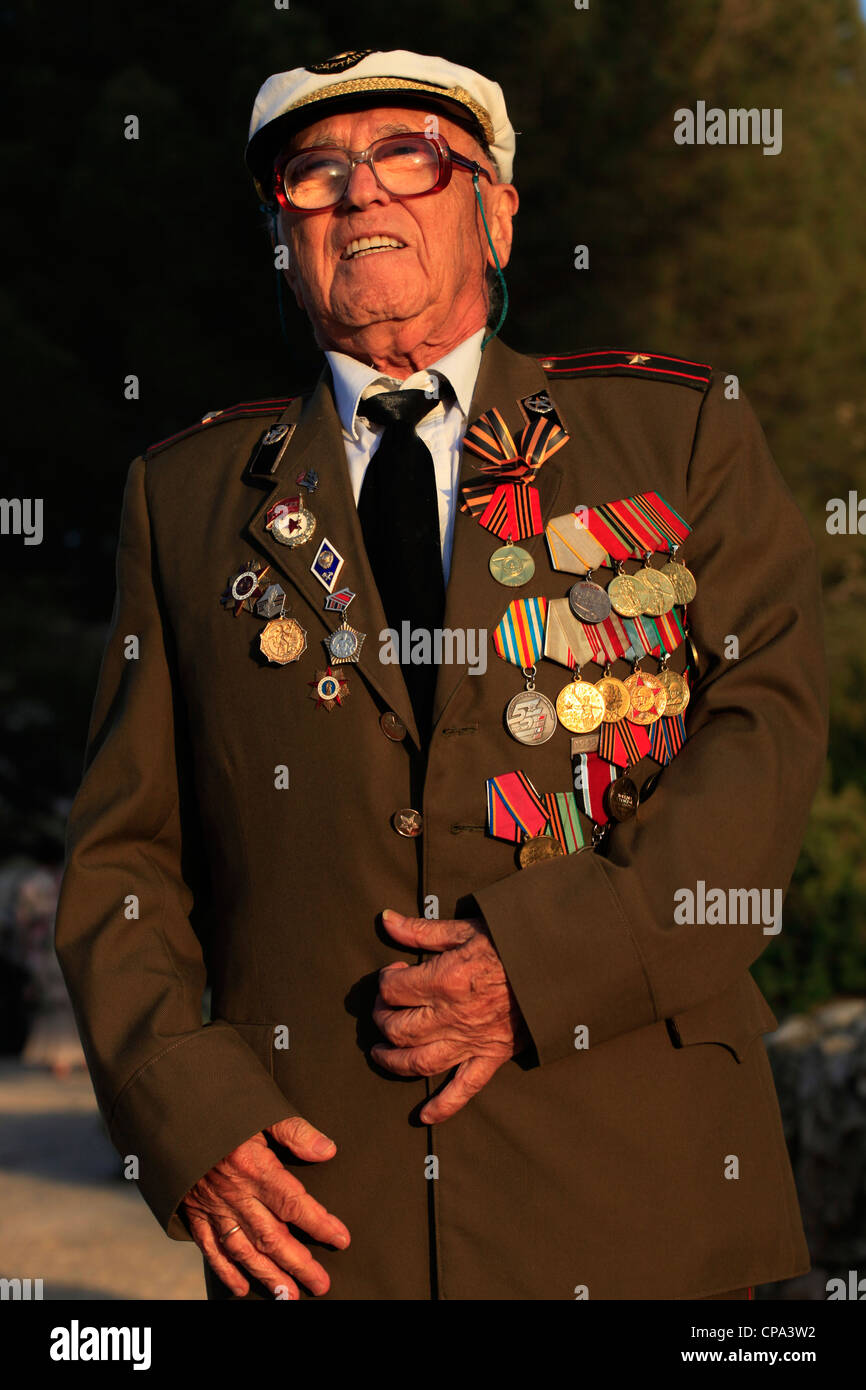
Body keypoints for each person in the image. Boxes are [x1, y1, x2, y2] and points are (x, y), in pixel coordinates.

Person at [54, 49, 828, 1301]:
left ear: (496, 209)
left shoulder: (672, 437)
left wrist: (543, 964)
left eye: (407, 157)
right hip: (319, 1227)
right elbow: (123, 858)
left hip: (641, 1203)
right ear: (282, 237)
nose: (359, 195)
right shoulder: (188, 499)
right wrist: (184, 1113)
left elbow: (765, 740)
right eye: (314, 174)